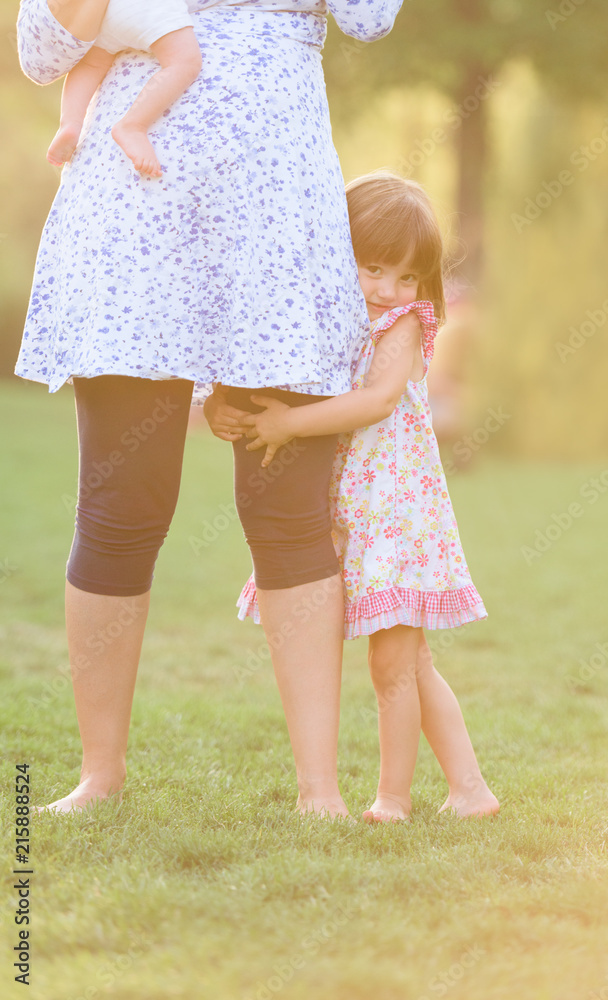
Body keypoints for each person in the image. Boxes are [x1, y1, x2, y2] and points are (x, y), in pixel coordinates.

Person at [15, 0, 404, 818]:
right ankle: (98, 777)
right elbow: (43, 54)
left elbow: (370, 18)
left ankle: (319, 793)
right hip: (134, 219)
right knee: (121, 506)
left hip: (274, 222)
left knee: (289, 507)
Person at [206, 174, 499, 822]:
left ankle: (393, 797)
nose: (387, 289)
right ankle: (470, 790)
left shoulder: (402, 323)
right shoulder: (328, 315)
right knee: (409, 663)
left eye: (406, 276)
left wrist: (289, 424)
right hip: (358, 513)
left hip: (395, 516)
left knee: (394, 663)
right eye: (373, 269)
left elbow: (377, 401)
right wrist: (219, 402)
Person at [47, 0, 202, 177]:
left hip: (107, 9)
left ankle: (70, 123)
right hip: (147, 7)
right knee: (185, 62)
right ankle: (133, 125)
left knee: (92, 64)